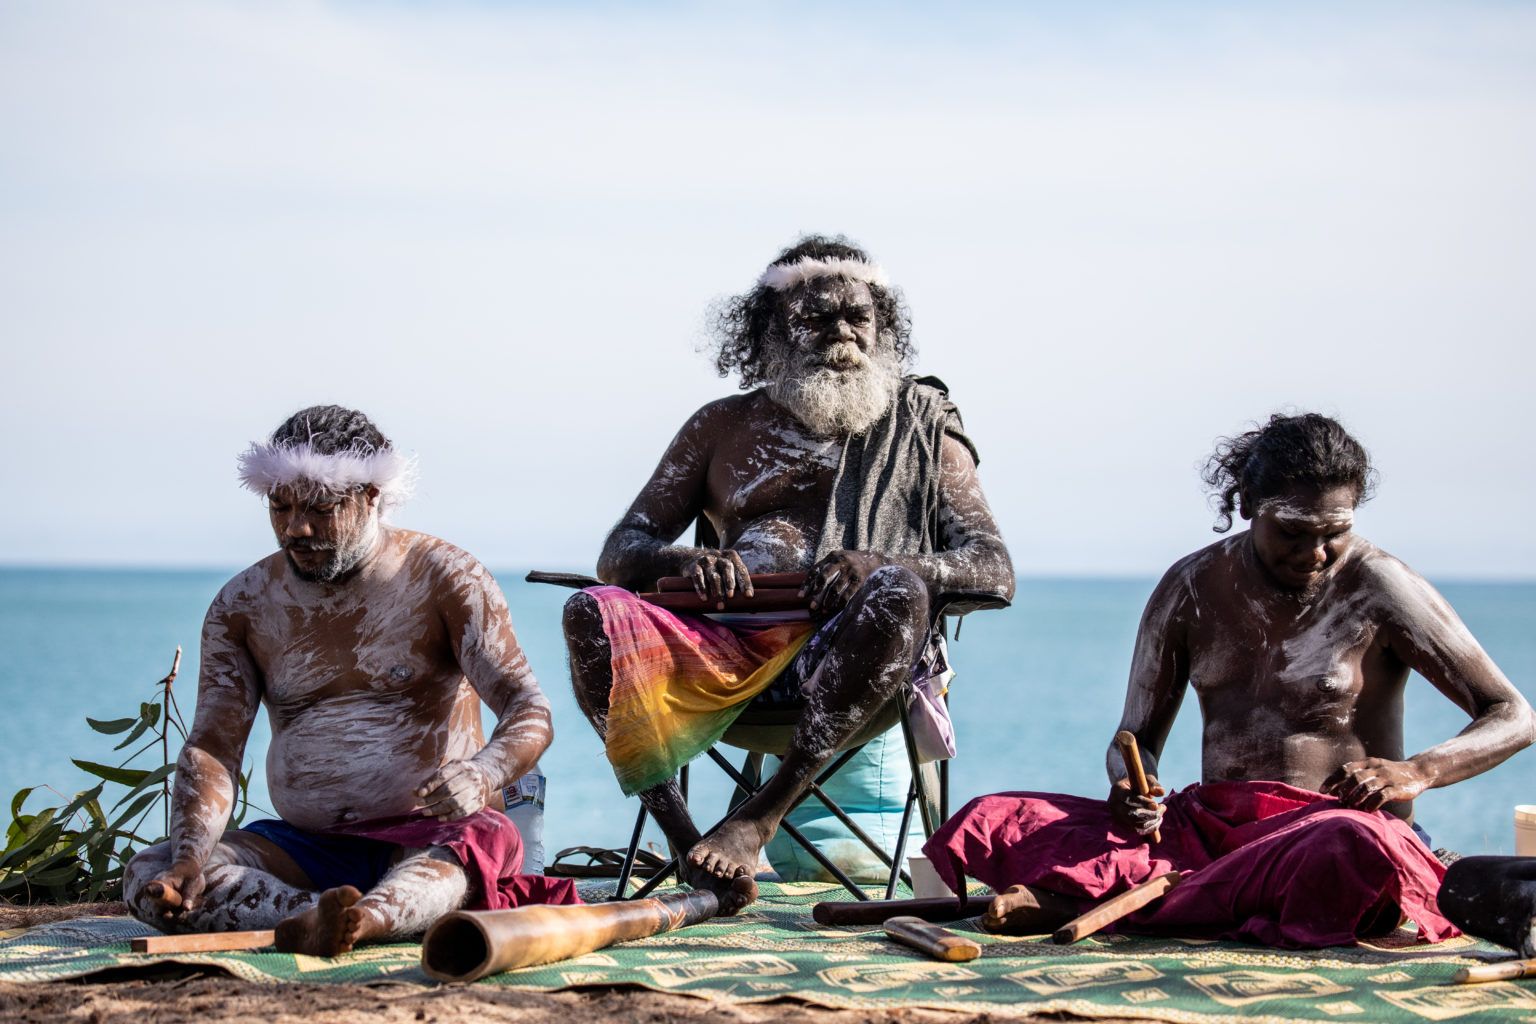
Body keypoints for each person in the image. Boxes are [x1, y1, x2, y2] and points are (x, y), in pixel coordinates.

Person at [926, 412, 1536, 948]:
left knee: (1348, 851)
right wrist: (1131, 789)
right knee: (993, 816)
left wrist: (1417, 772)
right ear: (1248, 503)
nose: (1316, 553)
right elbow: (1131, 740)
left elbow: (1513, 714)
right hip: (1210, 835)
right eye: (1293, 531)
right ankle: (1188, 899)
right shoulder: (1189, 588)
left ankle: (1130, 902)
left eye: (1334, 533)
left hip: (1328, 833)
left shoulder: (1382, 587)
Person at [563, 235, 1015, 913]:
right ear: (771, 330)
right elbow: (621, 551)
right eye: (817, 316)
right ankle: (689, 843)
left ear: (883, 326)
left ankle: (758, 817)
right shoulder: (720, 426)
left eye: (858, 317)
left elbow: (993, 569)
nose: (842, 332)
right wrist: (684, 561)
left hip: (854, 664)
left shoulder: (922, 426)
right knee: (589, 613)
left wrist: (879, 564)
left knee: (898, 590)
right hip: (717, 660)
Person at [124, 406, 575, 956]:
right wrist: (191, 860)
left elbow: (529, 708)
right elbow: (215, 748)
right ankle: (314, 917)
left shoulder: (445, 577)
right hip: (308, 848)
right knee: (151, 872)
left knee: (468, 849)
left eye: (320, 509)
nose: (296, 529)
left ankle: (363, 920)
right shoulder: (242, 606)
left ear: (369, 498)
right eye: (280, 507)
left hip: (432, 835)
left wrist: (482, 774)